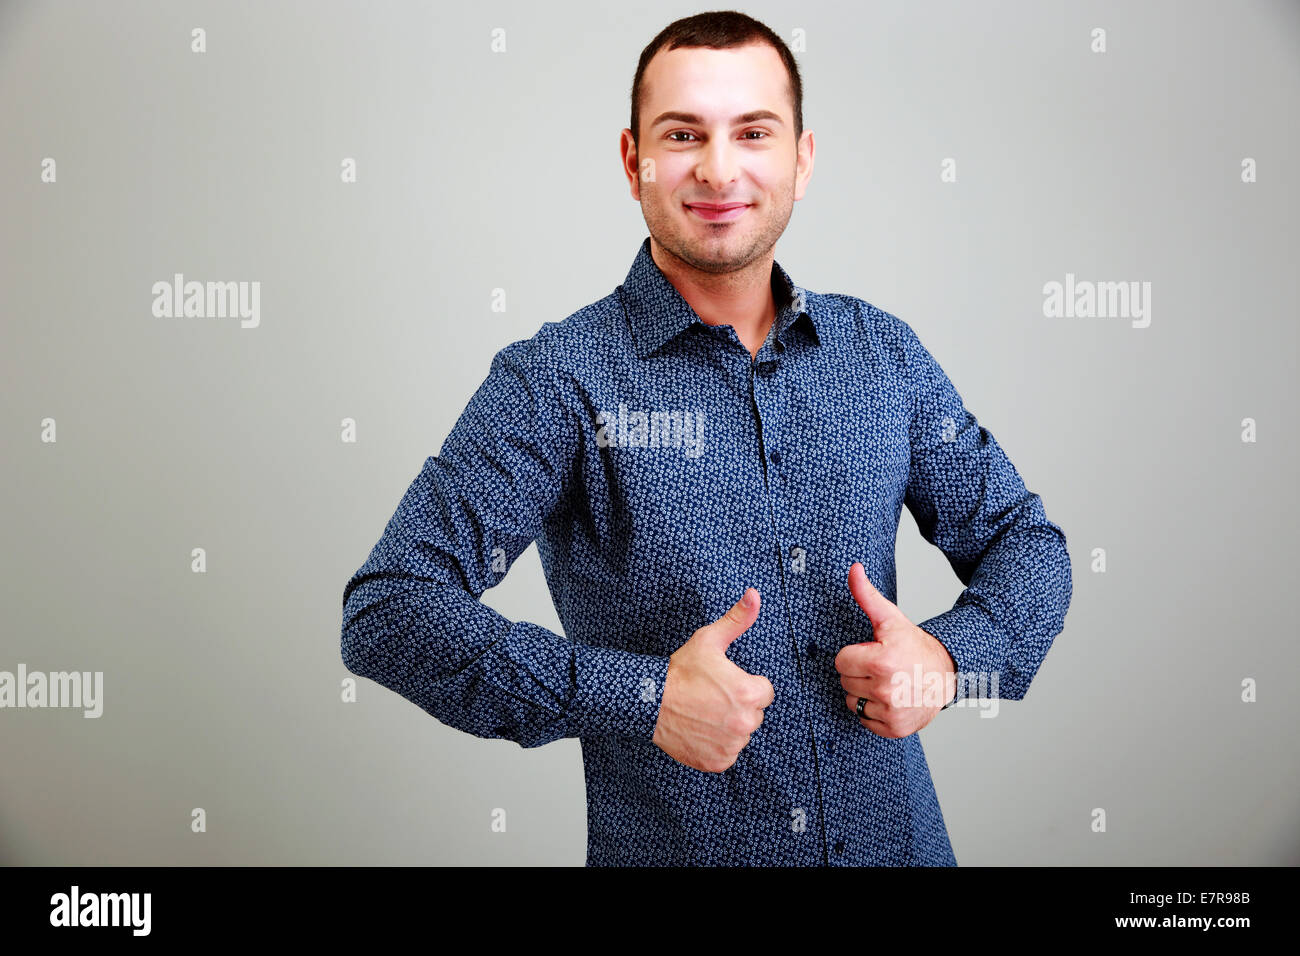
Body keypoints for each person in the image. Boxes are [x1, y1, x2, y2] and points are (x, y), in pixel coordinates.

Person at [340, 10, 1072, 866]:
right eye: (683, 134)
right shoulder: (557, 380)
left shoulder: (883, 354)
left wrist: (950, 661)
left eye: (753, 132)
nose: (719, 169)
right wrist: (643, 696)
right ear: (632, 161)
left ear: (801, 160)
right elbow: (388, 610)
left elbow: (1028, 544)